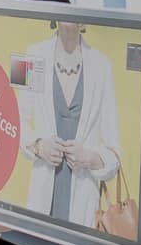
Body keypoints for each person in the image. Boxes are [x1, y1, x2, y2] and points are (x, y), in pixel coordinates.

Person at [19, 21, 121, 228]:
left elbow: (115, 152)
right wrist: (38, 146)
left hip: (83, 201)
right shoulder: (30, 54)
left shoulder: (103, 66)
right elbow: (15, 122)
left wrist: (90, 158)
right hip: (41, 195)